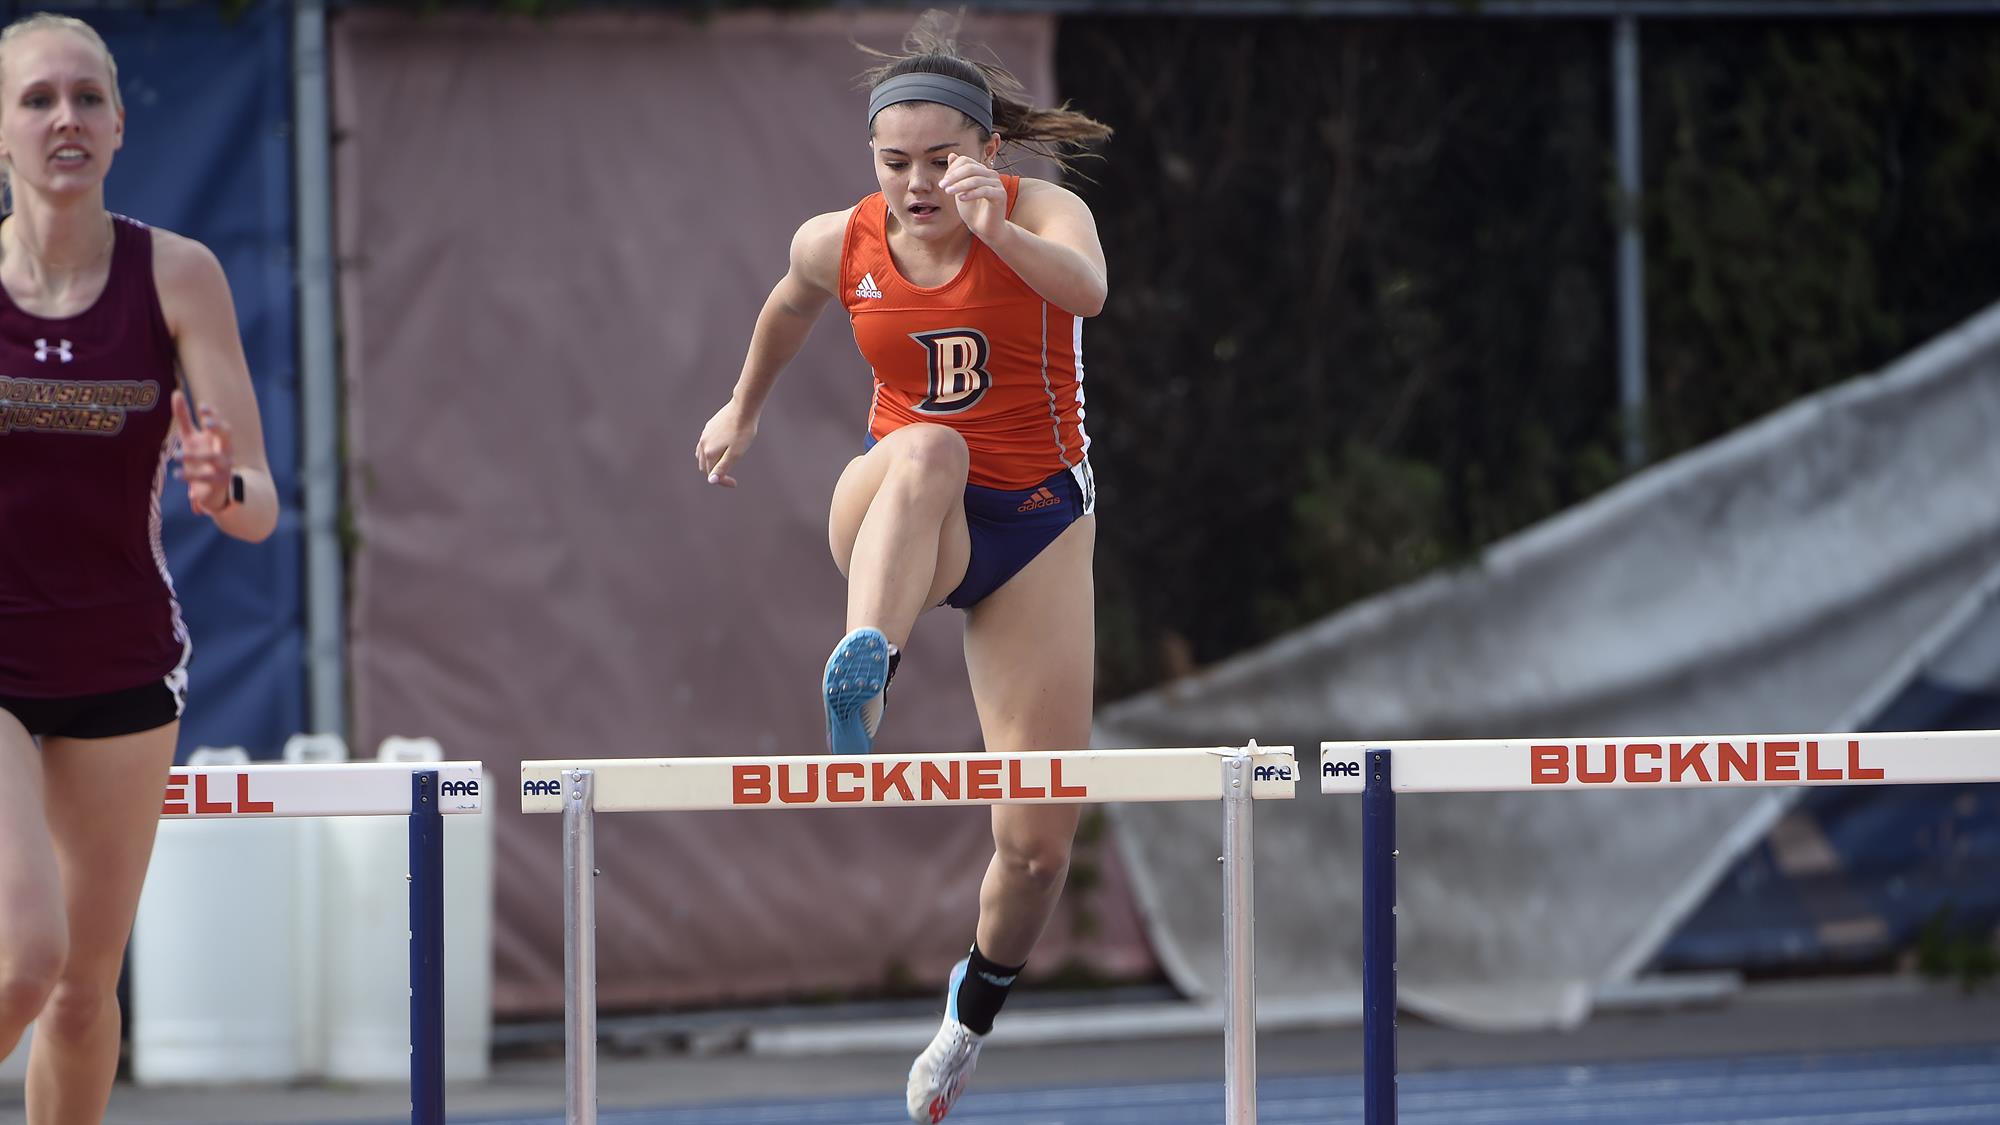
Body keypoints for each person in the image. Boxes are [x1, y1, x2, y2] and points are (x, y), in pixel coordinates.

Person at [694, 11, 1112, 1122]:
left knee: (1032, 849)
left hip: (1031, 532)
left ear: (983, 152)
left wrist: (1000, 235)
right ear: (870, 161)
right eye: (896, 164)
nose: (918, 186)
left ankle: (967, 1019)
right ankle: (866, 662)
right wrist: (742, 408)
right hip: (893, 514)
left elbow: (1086, 295)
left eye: (941, 162)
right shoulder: (841, 239)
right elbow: (788, 306)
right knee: (927, 442)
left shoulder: (1041, 212)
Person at [0, 13, 276, 1122]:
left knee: (80, 992)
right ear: (1, 130)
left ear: (118, 127)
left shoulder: (176, 273)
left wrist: (221, 489)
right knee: (24, 952)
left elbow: (256, 501)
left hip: (120, 661)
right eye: (36, 99)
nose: (64, 117)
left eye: (86, 99)